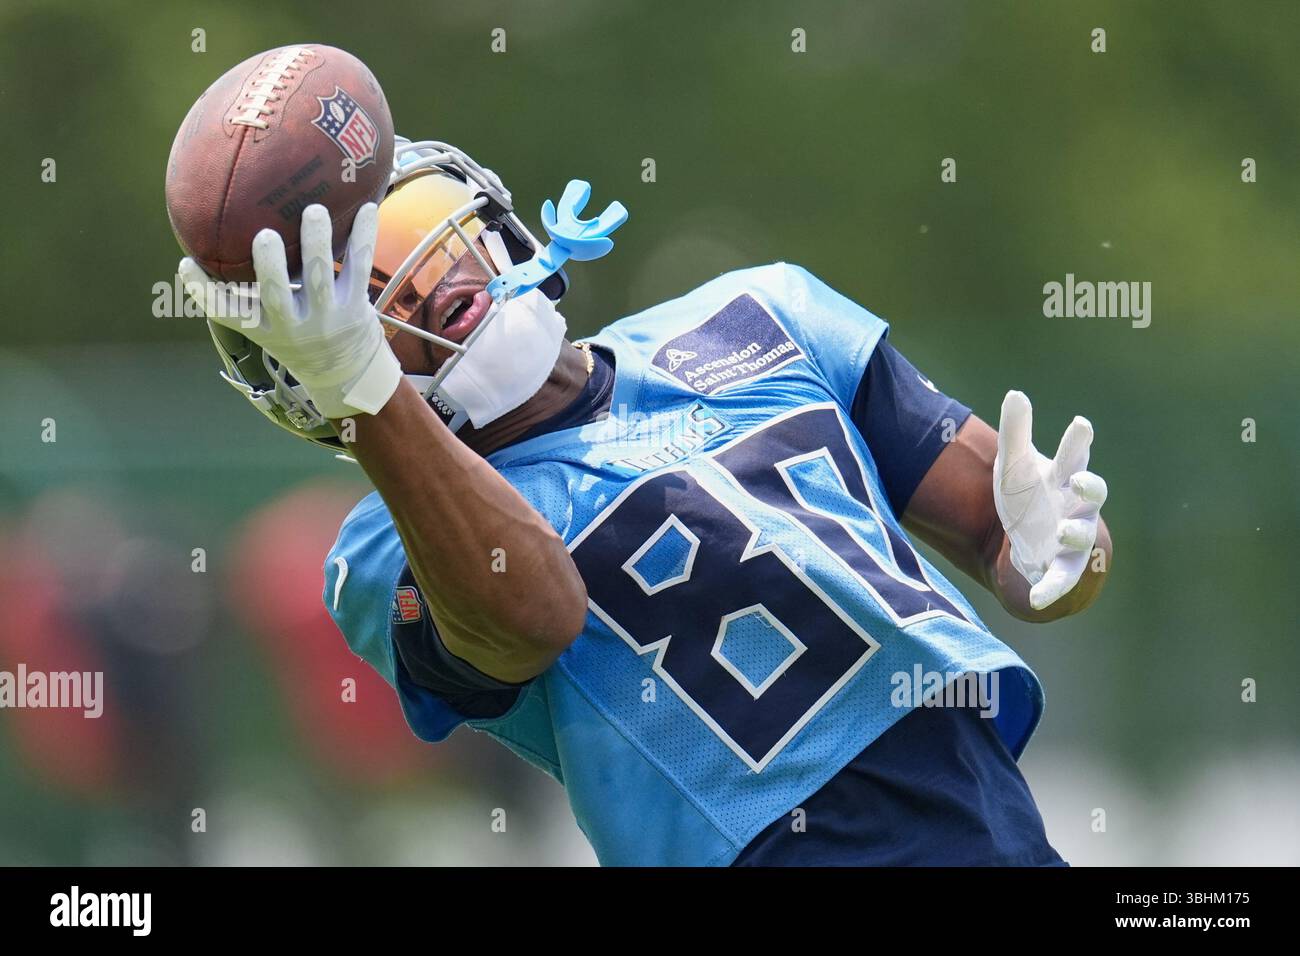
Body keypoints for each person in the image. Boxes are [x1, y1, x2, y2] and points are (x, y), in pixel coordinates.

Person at [180, 136, 1111, 866]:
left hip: (997, 830)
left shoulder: (761, 310)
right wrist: (372, 392)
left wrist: (1065, 556)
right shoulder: (389, 541)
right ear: (320, 382)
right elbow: (530, 617)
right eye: (365, 297)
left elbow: (1007, 537)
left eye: (412, 229)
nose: (431, 288)